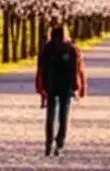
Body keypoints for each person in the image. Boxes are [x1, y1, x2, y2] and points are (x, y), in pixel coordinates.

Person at [34, 24, 86, 157]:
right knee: (64, 117)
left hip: (51, 86)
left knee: (50, 117)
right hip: (67, 87)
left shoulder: (47, 49)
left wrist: (41, 87)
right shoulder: (72, 49)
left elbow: (41, 70)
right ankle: (59, 143)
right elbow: (78, 70)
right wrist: (79, 88)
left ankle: (48, 143)